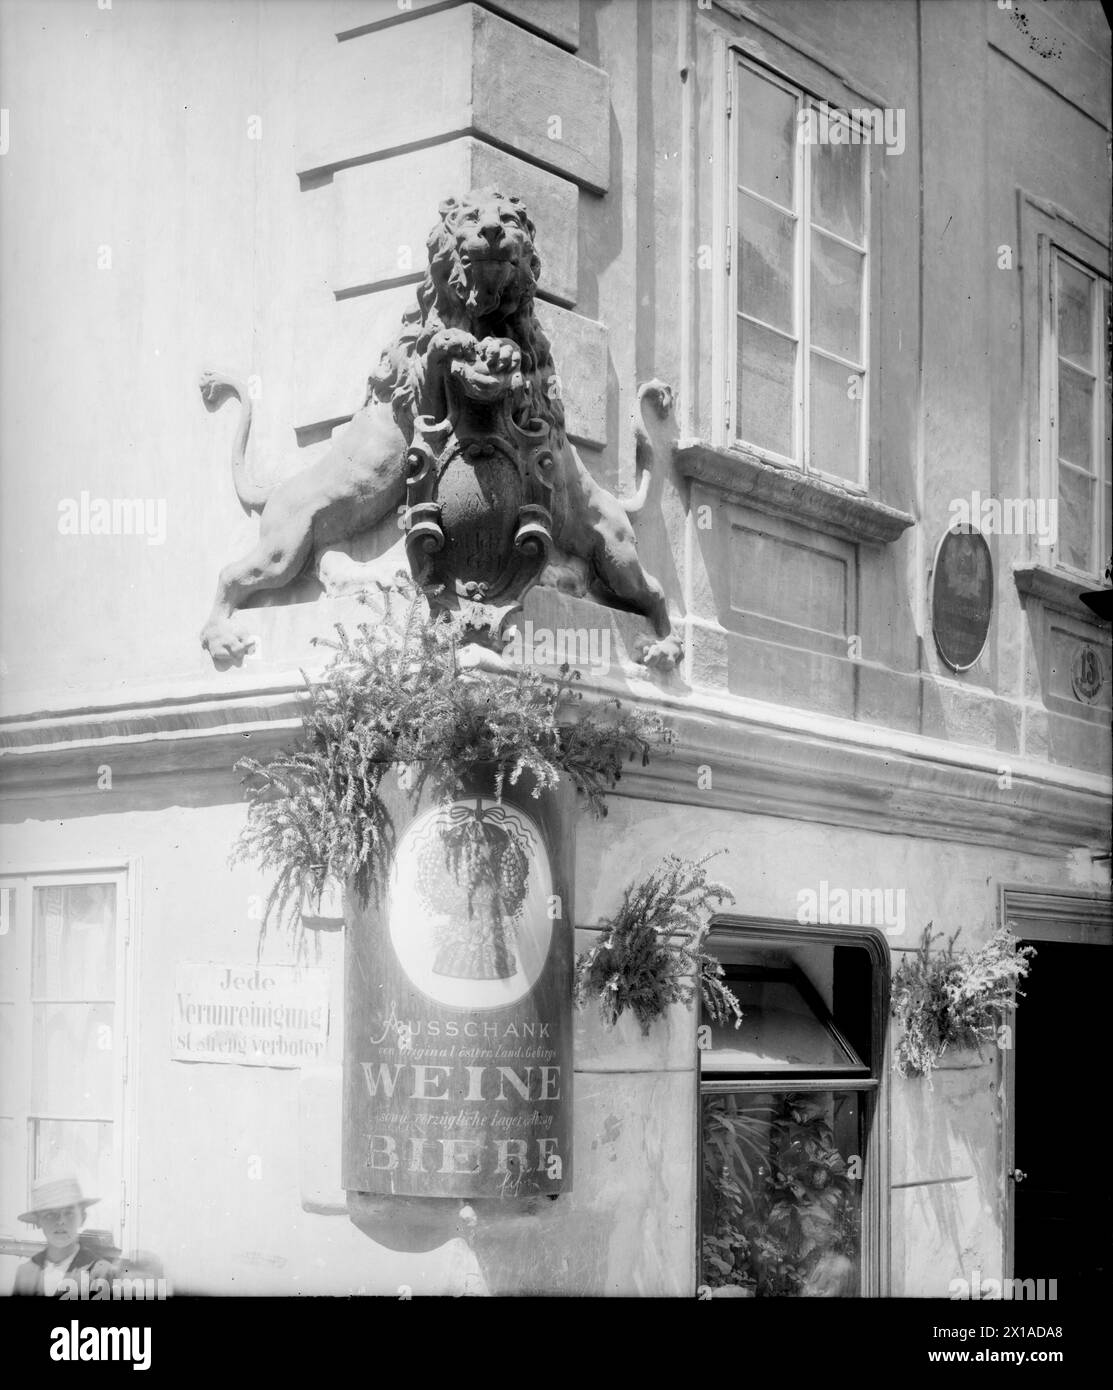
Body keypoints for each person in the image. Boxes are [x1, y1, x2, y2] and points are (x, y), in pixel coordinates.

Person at [13, 1175, 118, 1296]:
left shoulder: (100, 1273)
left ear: (82, 1218)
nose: (60, 1221)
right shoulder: (25, 1273)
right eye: (50, 1214)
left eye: (69, 1213)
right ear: (38, 1222)